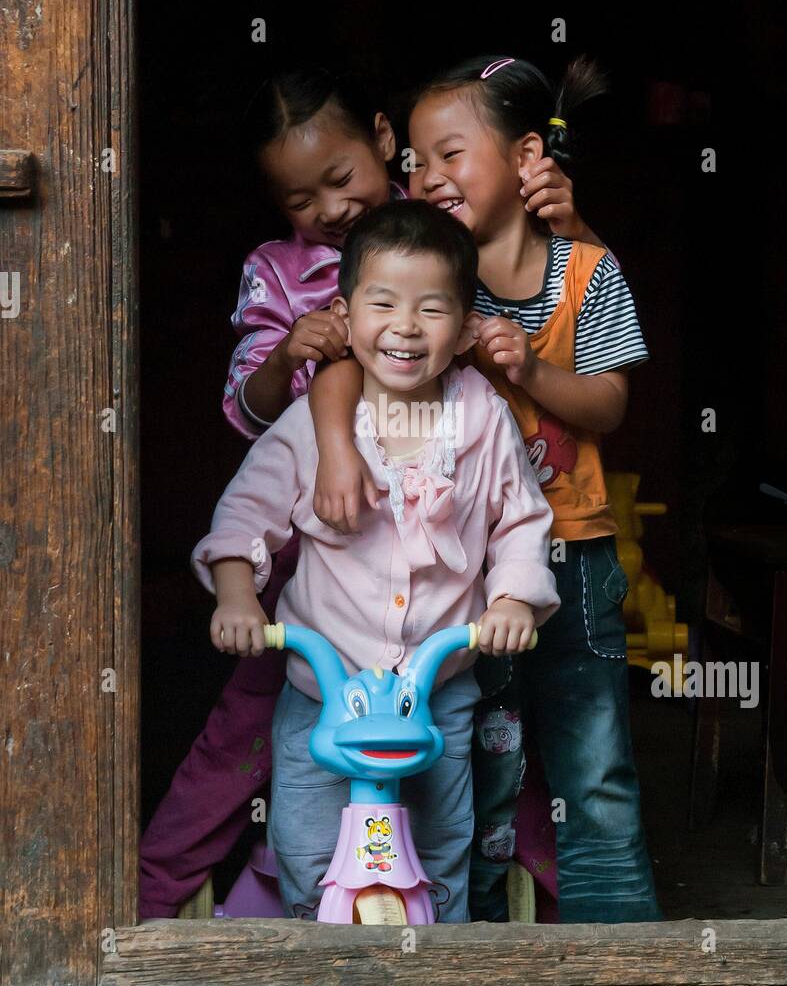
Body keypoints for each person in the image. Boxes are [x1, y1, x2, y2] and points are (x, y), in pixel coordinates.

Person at [310, 54, 663, 924]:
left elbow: (610, 405)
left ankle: (619, 946)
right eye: (416, 162)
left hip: (570, 557)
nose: (423, 177)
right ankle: (463, 939)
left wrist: (534, 369)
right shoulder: (427, 267)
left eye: (447, 155)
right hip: (462, 574)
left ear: (527, 158)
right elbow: (339, 363)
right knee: (474, 757)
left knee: (593, 759)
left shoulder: (588, 267)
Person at [190, 200, 560, 920]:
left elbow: (520, 518)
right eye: (382, 302)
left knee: (443, 842)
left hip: (438, 688)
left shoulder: (481, 417)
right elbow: (244, 515)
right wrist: (237, 596)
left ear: (463, 328)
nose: (406, 326)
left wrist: (512, 600)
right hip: (324, 689)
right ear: (346, 313)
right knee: (305, 844)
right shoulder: (314, 423)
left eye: (432, 309)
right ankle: (314, 964)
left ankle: (433, 980)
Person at [139, 65, 404, 917]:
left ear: (385, 140)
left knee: (455, 733)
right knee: (248, 737)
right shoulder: (277, 272)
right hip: (309, 561)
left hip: (428, 554)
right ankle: (148, 900)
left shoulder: (440, 228)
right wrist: (291, 352)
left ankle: (548, 922)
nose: (329, 209)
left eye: (341, 177)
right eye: (300, 199)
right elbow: (245, 410)